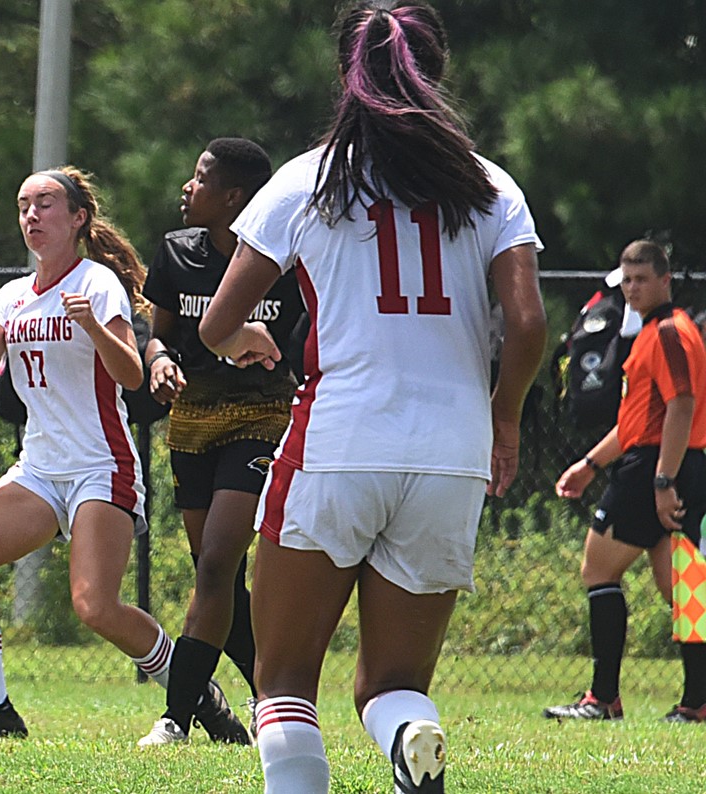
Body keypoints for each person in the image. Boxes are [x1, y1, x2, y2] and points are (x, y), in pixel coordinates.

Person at [197, 2, 548, 791]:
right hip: (453, 453)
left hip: (339, 442)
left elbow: (217, 322)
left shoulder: (307, 177)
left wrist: (240, 339)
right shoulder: (490, 184)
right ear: (438, 71)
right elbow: (527, 324)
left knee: (284, 678)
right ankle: (410, 731)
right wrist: (505, 418)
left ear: (346, 75)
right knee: (392, 683)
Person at [0, 166, 177, 739]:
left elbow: (131, 375)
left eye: (45, 203)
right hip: (40, 471)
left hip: (100, 465)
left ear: (78, 218)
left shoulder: (97, 283)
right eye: (24, 205)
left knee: (94, 606)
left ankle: (194, 694)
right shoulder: (12, 296)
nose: (32, 215)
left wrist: (94, 327)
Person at [137, 137, 304, 747]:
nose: (188, 187)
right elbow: (158, 336)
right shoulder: (177, 252)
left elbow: (305, 340)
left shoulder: (283, 260)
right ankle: (268, 696)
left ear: (234, 197)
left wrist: (272, 347)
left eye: (201, 178)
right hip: (192, 420)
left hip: (261, 416)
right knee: (221, 581)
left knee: (215, 563)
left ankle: (176, 718)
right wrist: (158, 361)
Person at [545, 239, 706, 724]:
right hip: (666, 462)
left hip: (655, 467)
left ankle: (602, 699)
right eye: (626, 280)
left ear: (665, 281)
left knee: (598, 569)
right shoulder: (656, 332)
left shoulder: (669, 333)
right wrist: (590, 464)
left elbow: (682, 406)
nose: (632, 289)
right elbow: (636, 419)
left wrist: (663, 481)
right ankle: (697, 703)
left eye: (642, 279)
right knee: (682, 588)